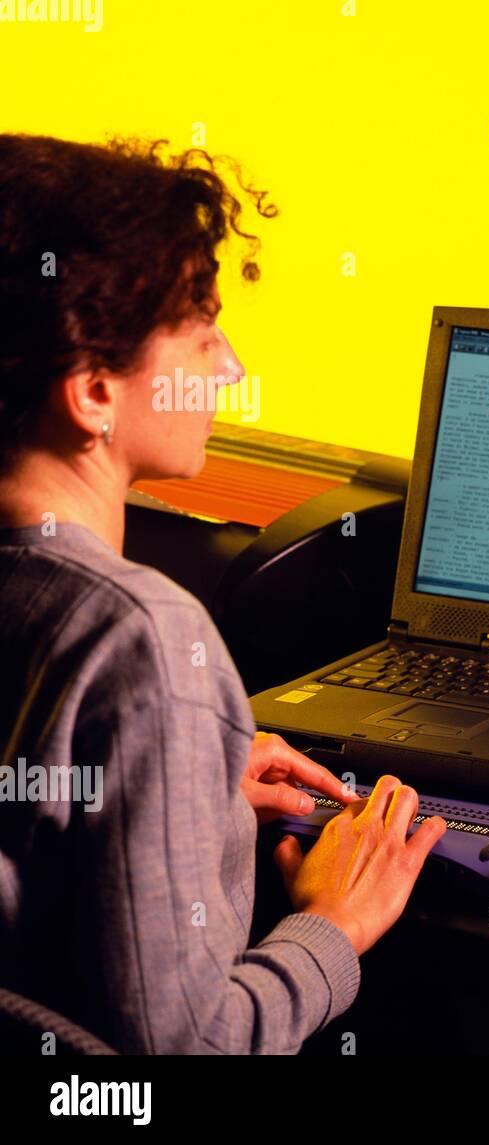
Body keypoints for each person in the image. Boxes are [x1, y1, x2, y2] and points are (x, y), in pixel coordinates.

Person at [0, 134, 446, 1054]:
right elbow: (185, 1051)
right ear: (92, 390)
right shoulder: (140, 638)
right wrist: (335, 926)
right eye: (203, 331)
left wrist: (173, 793)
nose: (231, 367)